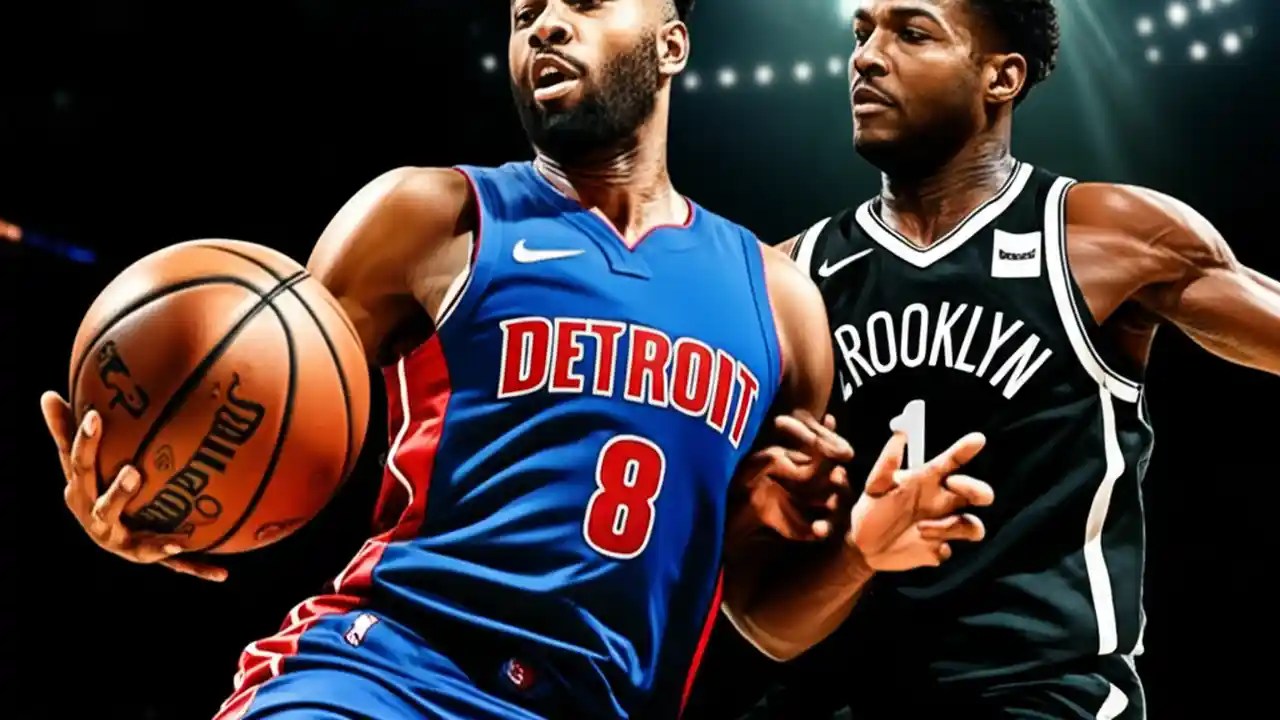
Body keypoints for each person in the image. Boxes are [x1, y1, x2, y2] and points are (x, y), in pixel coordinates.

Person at [40, 1, 996, 718]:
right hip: (388, 672)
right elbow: (260, 428)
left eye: (580, 2)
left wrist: (858, 553)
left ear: (672, 42)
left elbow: (755, 617)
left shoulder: (780, 302)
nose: (544, 24)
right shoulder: (429, 217)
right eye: (525, 12)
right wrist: (159, 507)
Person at [688, 0, 1280, 718]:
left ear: (1001, 77)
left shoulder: (1106, 237)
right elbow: (766, 628)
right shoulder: (790, 280)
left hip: (1043, 694)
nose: (867, 57)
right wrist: (857, 555)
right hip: (841, 696)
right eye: (862, 32)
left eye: (910, 33)